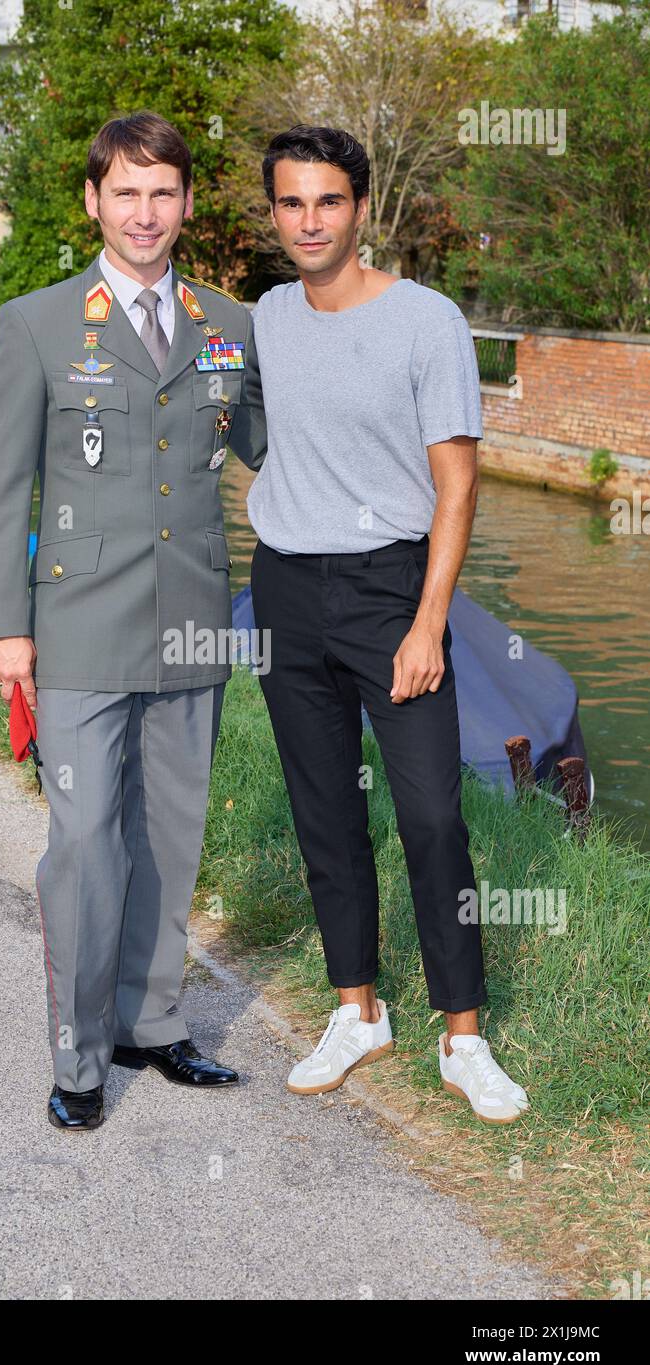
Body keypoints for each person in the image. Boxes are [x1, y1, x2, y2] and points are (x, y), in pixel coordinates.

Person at [0, 112, 267, 1132]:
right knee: (85, 844)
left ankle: (149, 1022)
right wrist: (2, 626)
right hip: (80, 631)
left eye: (164, 193)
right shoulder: (39, 323)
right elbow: (0, 489)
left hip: (190, 627)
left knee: (168, 837)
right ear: (94, 202)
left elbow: (273, 454)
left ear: (187, 204)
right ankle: (78, 1054)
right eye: (125, 193)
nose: (145, 213)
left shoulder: (231, 324)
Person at [247, 125, 529, 1124]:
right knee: (324, 813)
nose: (308, 220)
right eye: (290, 202)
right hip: (284, 586)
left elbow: (456, 488)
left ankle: (462, 1034)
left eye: (326, 201)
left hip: (390, 592)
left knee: (430, 817)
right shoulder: (266, 319)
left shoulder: (425, 320)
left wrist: (426, 623)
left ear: (359, 208)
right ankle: (356, 1010)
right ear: (271, 211)